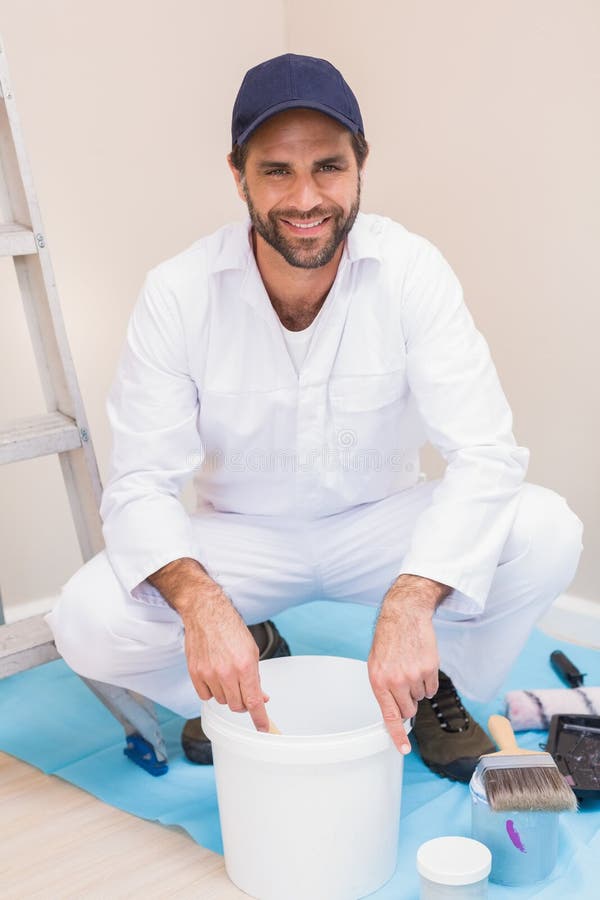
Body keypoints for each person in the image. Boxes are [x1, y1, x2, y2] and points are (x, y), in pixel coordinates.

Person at [46, 53, 583, 782]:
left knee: (547, 530)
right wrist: (203, 605)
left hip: (379, 524)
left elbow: (487, 453)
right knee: (85, 616)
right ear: (238, 175)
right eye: (276, 171)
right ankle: (241, 686)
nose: (305, 198)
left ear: (361, 167)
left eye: (328, 167)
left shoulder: (412, 270)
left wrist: (411, 600)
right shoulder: (177, 293)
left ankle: (428, 684)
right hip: (241, 539)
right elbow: (141, 481)